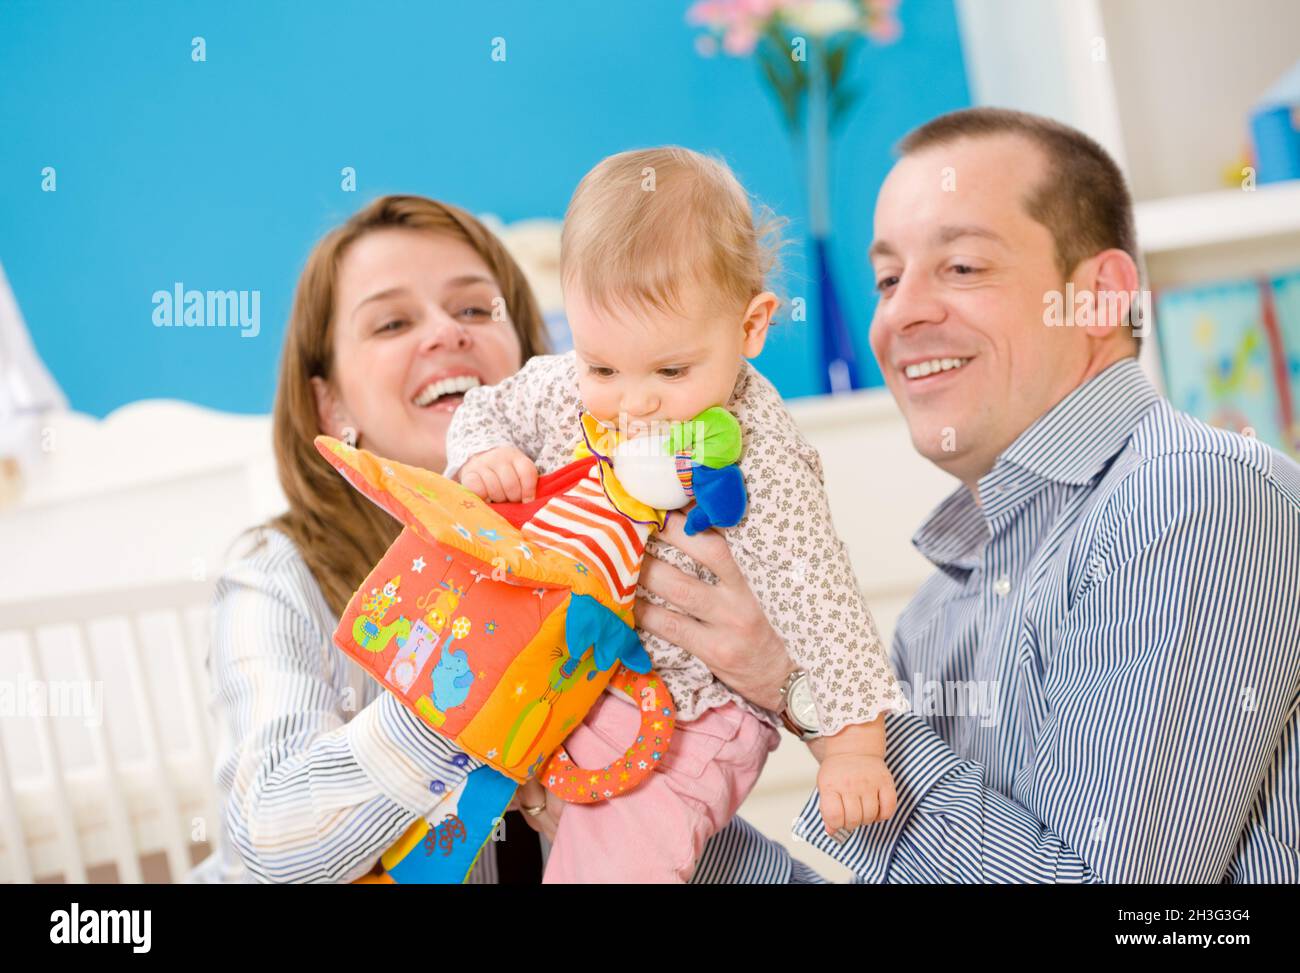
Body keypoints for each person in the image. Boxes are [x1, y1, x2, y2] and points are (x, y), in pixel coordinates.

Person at [572, 107, 1300, 883]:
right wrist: (632, 815)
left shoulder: (1194, 500)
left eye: (961, 267)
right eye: (888, 278)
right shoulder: (937, 613)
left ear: (1098, 295)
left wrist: (805, 685)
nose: (903, 311)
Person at [447, 146, 910, 882]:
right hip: (591, 687)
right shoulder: (564, 386)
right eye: (603, 366)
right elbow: (486, 408)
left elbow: (823, 601)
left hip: (703, 716)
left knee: (619, 859)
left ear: (751, 326)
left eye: (670, 370)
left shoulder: (763, 455)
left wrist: (850, 745)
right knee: (532, 811)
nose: (635, 399)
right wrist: (484, 456)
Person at [189, 194, 552, 883]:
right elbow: (271, 832)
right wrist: (462, 684)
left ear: (534, 365)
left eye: (476, 309)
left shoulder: (597, 548)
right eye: (391, 321)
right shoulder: (275, 576)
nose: (447, 333)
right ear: (333, 405)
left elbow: (674, 819)